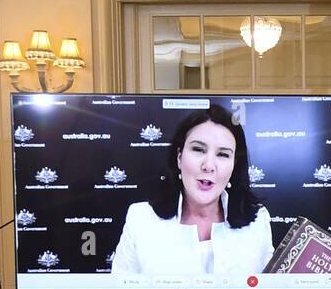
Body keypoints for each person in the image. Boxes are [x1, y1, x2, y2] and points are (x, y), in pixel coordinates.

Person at [110, 104, 273, 280]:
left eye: (223, 154)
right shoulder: (140, 219)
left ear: (234, 166)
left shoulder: (258, 221)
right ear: (179, 157)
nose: (209, 165)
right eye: (198, 150)